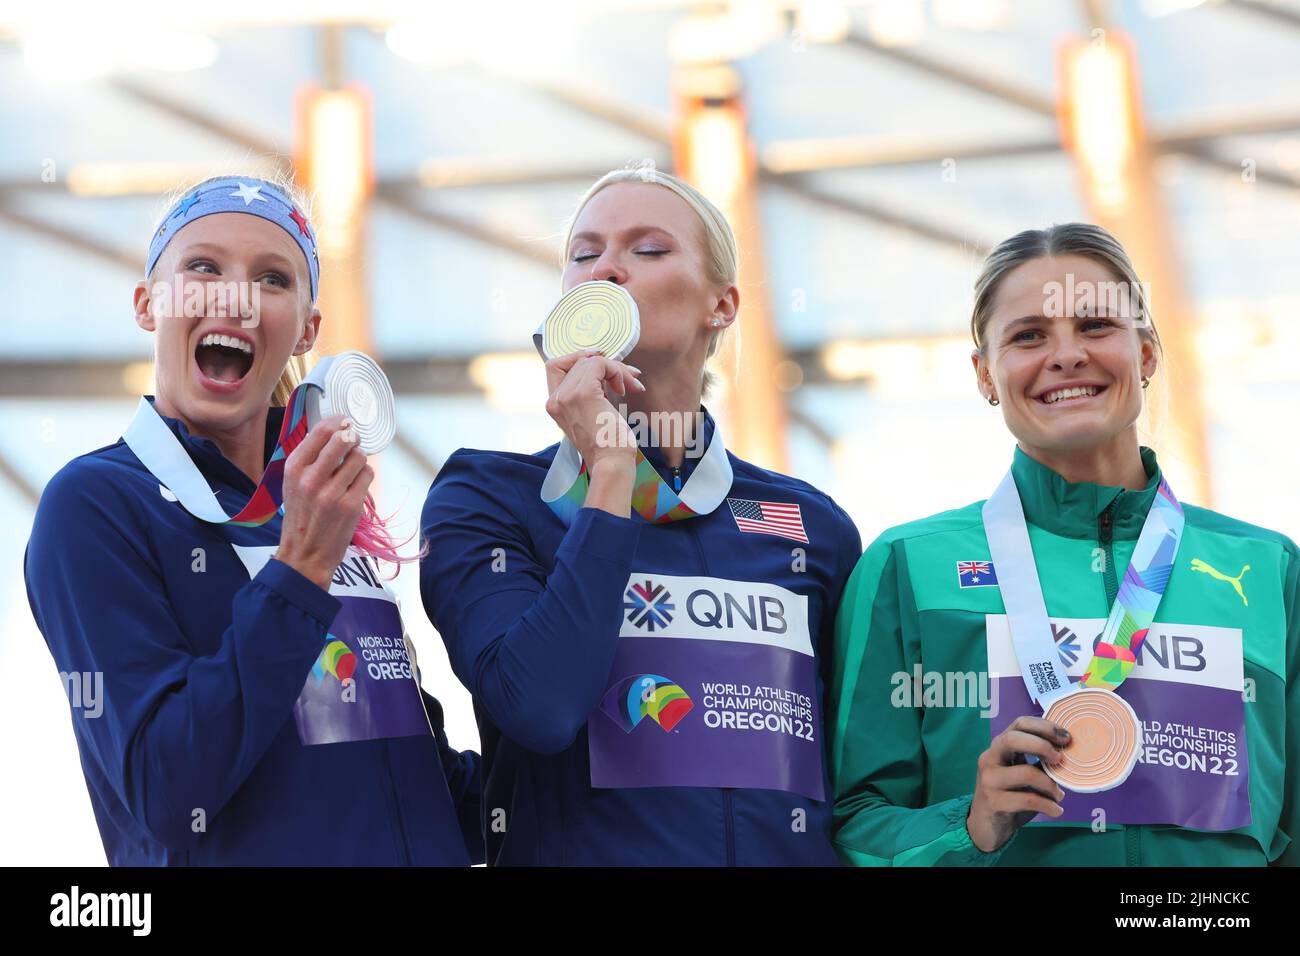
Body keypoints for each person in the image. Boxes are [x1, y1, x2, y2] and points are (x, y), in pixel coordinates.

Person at [25, 173, 481, 865]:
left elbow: (423, 785)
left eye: (273, 279)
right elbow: (166, 792)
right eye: (204, 267)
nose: (237, 297)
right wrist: (298, 571)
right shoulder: (97, 505)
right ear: (149, 304)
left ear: (308, 329)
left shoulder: (325, 505)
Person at [420, 167, 862, 865]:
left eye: (649, 251)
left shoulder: (810, 525)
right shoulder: (490, 497)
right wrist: (611, 473)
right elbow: (540, 707)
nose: (607, 271)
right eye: (584, 254)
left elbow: (850, 778)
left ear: (722, 304)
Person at [829, 223, 1298, 865]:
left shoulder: (1267, 568)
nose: (1067, 354)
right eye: (1028, 336)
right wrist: (970, 825)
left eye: (1097, 326)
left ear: (1147, 353)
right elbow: (854, 826)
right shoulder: (909, 566)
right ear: (985, 375)